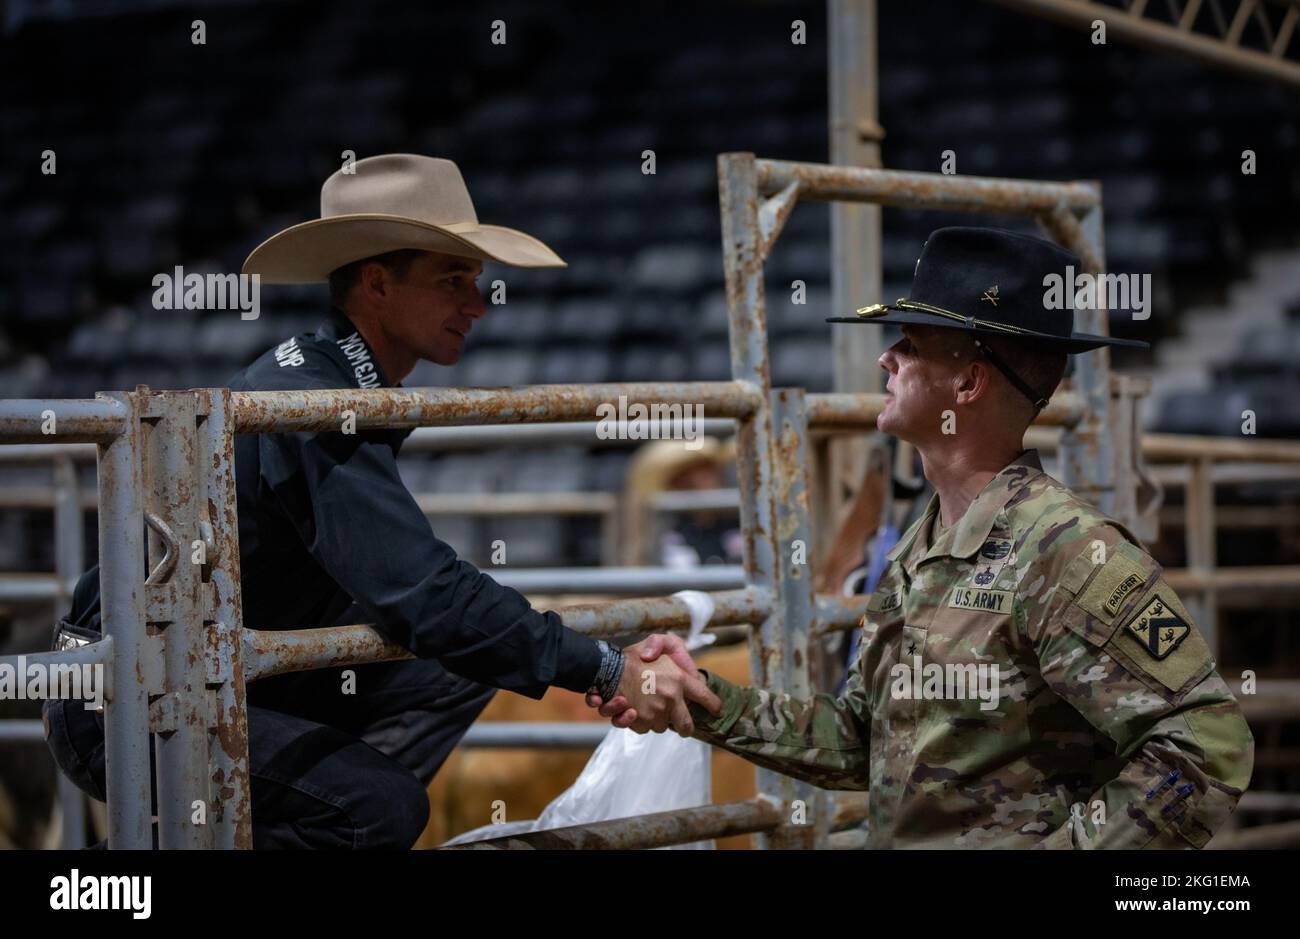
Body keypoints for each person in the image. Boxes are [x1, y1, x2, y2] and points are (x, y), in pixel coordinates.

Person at [43, 153, 718, 849]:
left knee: (439, 692)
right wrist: (606, 667)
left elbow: (420, 597)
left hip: (195, 668)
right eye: (453, 279)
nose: (478, 302)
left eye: (477, 281)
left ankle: (260, 832)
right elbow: (420, 591)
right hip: (128, 692)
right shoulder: (317, 401)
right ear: (376, 284)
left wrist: (592, 658)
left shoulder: (328, 379)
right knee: (376, 808)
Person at [593, 227, 1254, 849]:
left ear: (967, 383)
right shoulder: (920, 547)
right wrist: (704, 697)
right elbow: (861, 739)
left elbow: (1206, 740)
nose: (886, 357)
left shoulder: (1067, 552)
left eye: (909, 344)